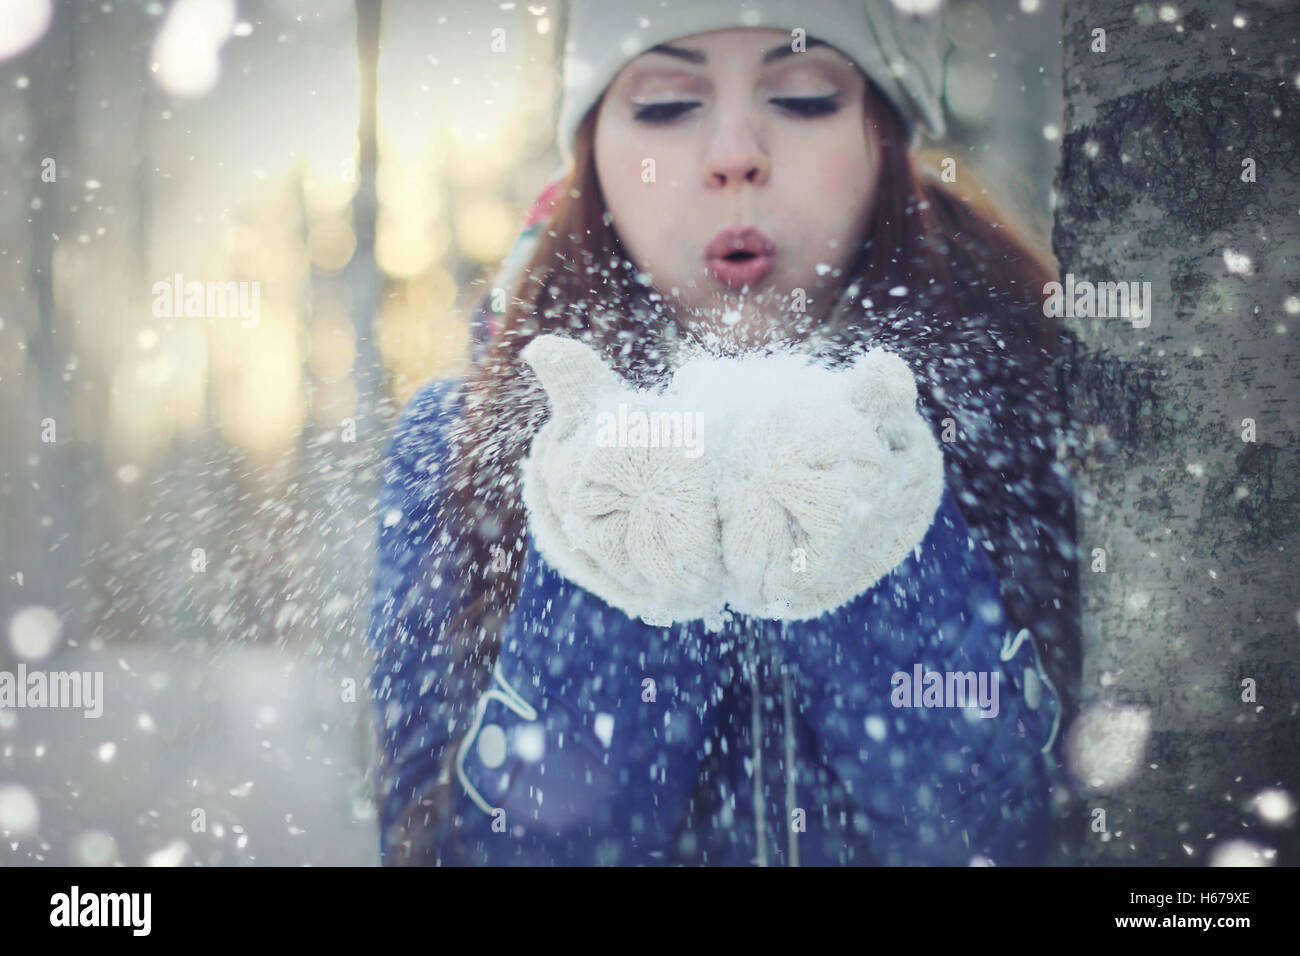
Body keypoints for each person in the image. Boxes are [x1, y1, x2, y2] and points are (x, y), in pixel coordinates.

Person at [366, 0, 1080, 866]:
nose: (735, 155)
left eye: (807, 96)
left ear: (883, 140)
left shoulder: (1036, 402)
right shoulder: (456, 444)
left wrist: (881, 567)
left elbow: (1061, 843)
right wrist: (610, 593)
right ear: (592, 152)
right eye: (667, 104)